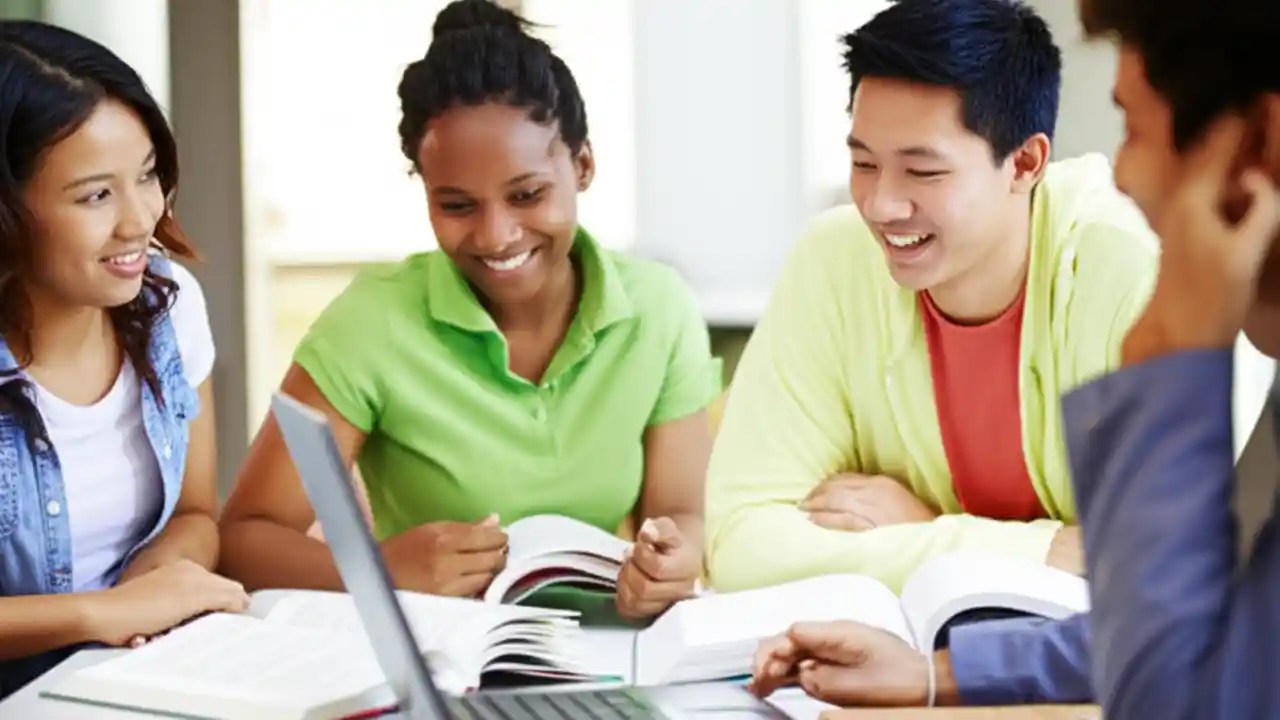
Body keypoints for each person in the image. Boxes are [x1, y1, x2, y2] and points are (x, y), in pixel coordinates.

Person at [748, 0, 1280, 712]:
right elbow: (1215, 626)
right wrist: (938, 674)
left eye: (1135, 131)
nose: (1121, 175)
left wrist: (1171, 353)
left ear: (1260, 142)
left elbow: (1179, 686)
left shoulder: (1121, 272)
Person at [218, 0, 720, 621]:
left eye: (527, 195)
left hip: (608, 650)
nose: (496, 236)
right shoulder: (372, 323)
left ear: (583, 166)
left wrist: (673, 561)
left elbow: (680, 514)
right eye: (457, 205)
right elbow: (245, 539)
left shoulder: (657, 308)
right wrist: (381, 571)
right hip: (446, 655)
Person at [705, 0, 1157, 596]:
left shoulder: (1120, 265)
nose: (881, 205)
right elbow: (741, 544)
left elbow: (1155, 559)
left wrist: (924, 530)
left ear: (1025, 163)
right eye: (863, 163)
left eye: (923, 172)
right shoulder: (834, 259)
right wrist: (1028, 549)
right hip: (893, 651)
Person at [0, 21, 249, 698]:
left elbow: (195, 514)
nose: (140, 219)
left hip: (127, 682)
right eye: (95, 195)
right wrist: (101, 614)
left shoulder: (168, 306)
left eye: (146, 176)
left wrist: (159, 585)